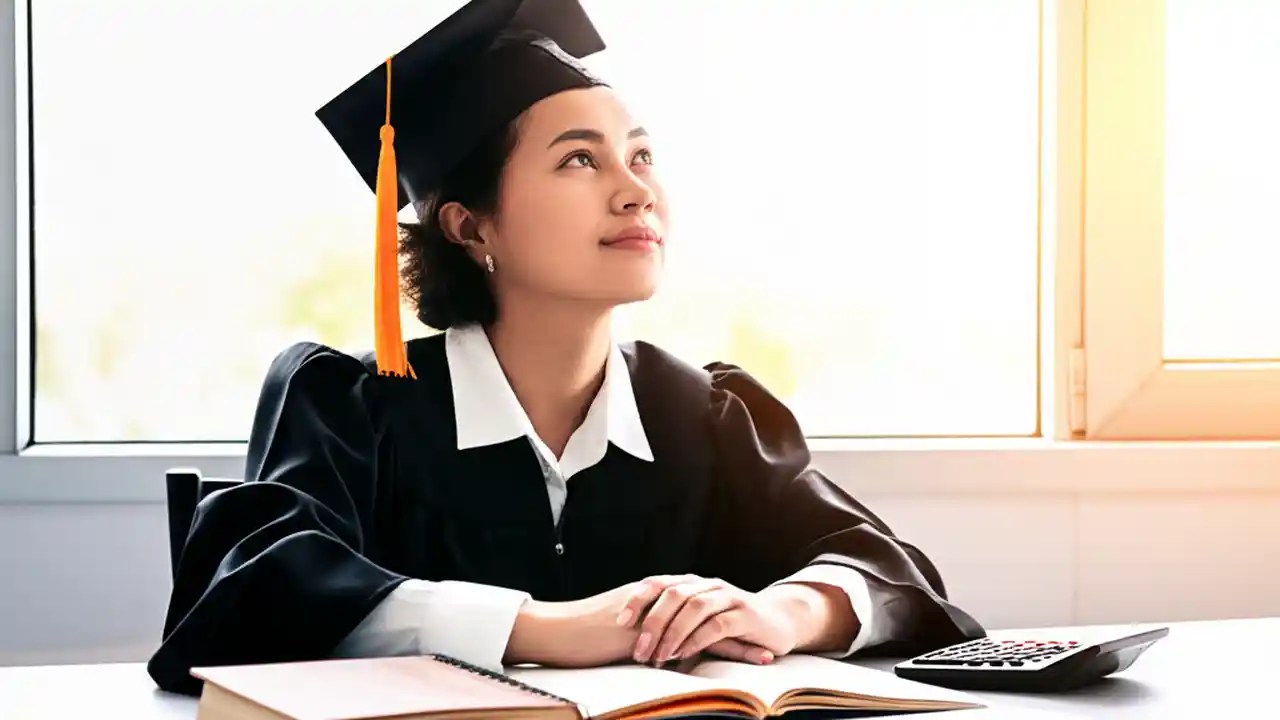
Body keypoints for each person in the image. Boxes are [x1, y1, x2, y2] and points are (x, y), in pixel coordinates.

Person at [148, 0, 985, 697]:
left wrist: (784, 613)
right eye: (580, 159)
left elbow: (886, 572)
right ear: (472, 227)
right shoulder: (350, 411)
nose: (635, 191)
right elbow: (248, 597)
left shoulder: (703, 415)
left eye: (642, 155)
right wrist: (547, 630)